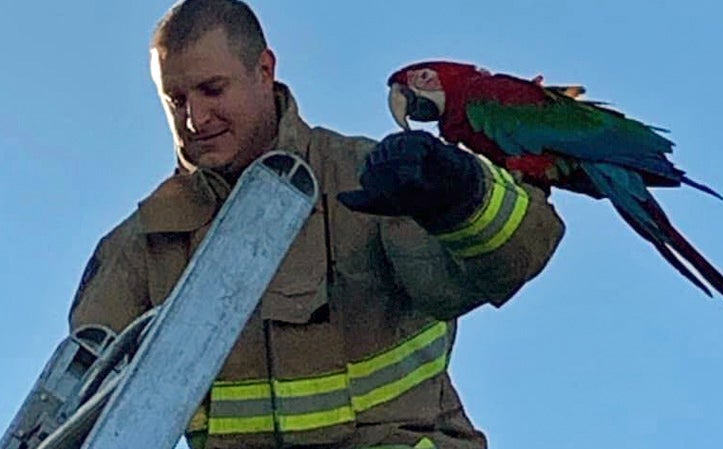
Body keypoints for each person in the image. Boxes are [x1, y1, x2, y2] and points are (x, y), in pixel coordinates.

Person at [68, 0, 565, 448]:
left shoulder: (367, 178)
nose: (195, 118)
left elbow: (509, 258)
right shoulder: (137, 251)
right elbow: (78, 412)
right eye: (175, 100)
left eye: (212, 89)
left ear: (264, 70)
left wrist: (461, 197)